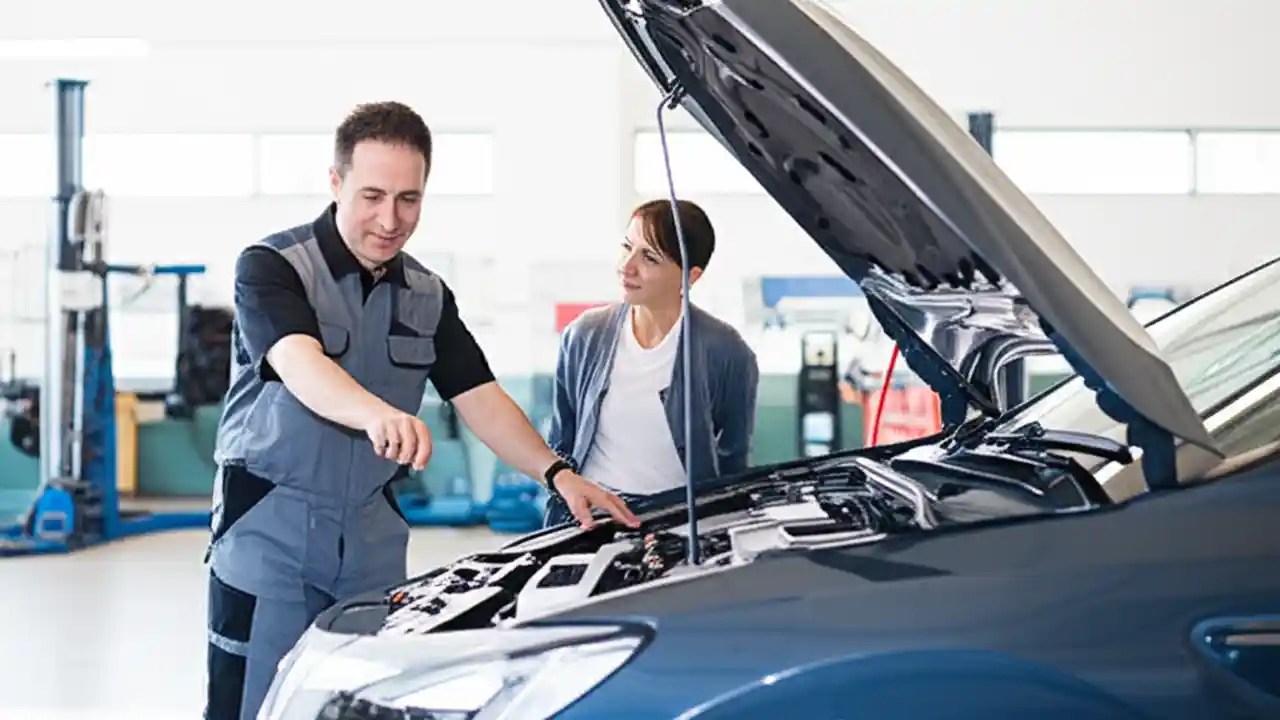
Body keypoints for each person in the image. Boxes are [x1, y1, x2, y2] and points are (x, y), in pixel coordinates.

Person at [203, 101, 638, 720]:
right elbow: (298, 361)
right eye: (373, 195)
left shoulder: (428, 295)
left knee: (359, 706)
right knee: (252, 706)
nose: (390, 219)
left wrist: (557, 473)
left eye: (409, 199)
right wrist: (375, 414)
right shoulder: (272, 267)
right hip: (270, 527)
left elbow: (480, 396)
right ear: (336, 183)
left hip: (370, 540)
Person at [543, 199, 759, 527]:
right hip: (591, 521)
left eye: (649, 257)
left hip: (677, 523)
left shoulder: (727, 352)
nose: (627, 267)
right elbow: (561, 444)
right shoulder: (584, 335)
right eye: (627, 247)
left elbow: (733, 463)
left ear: (690, 276)